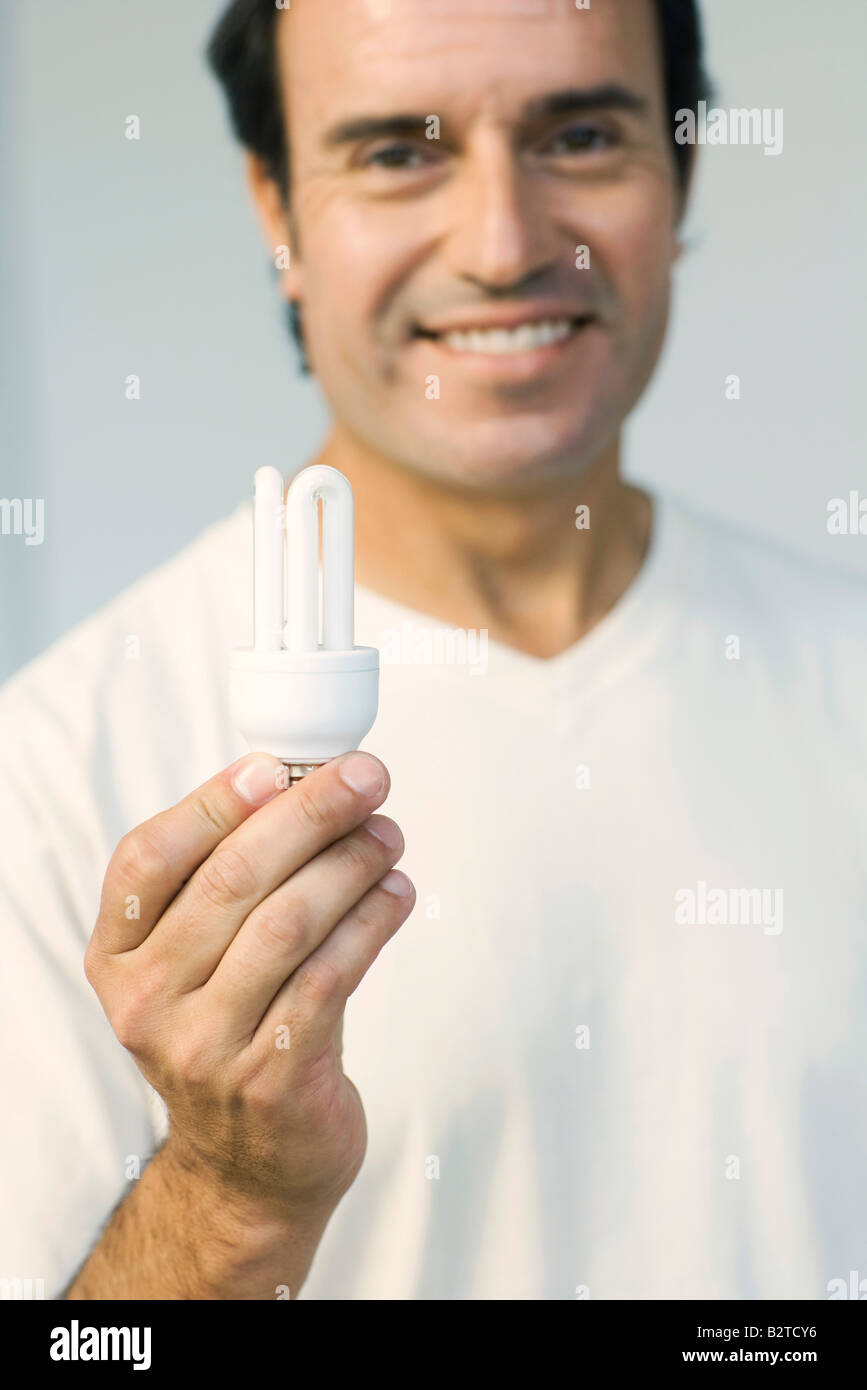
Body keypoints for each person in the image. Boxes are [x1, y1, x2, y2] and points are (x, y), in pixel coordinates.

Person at [2, 0, 865, 1301]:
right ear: (275, 205)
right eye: (400, 150)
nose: (505, 242)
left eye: (580, 132)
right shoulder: (57, 769)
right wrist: (231, 1196)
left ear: (677, 171)